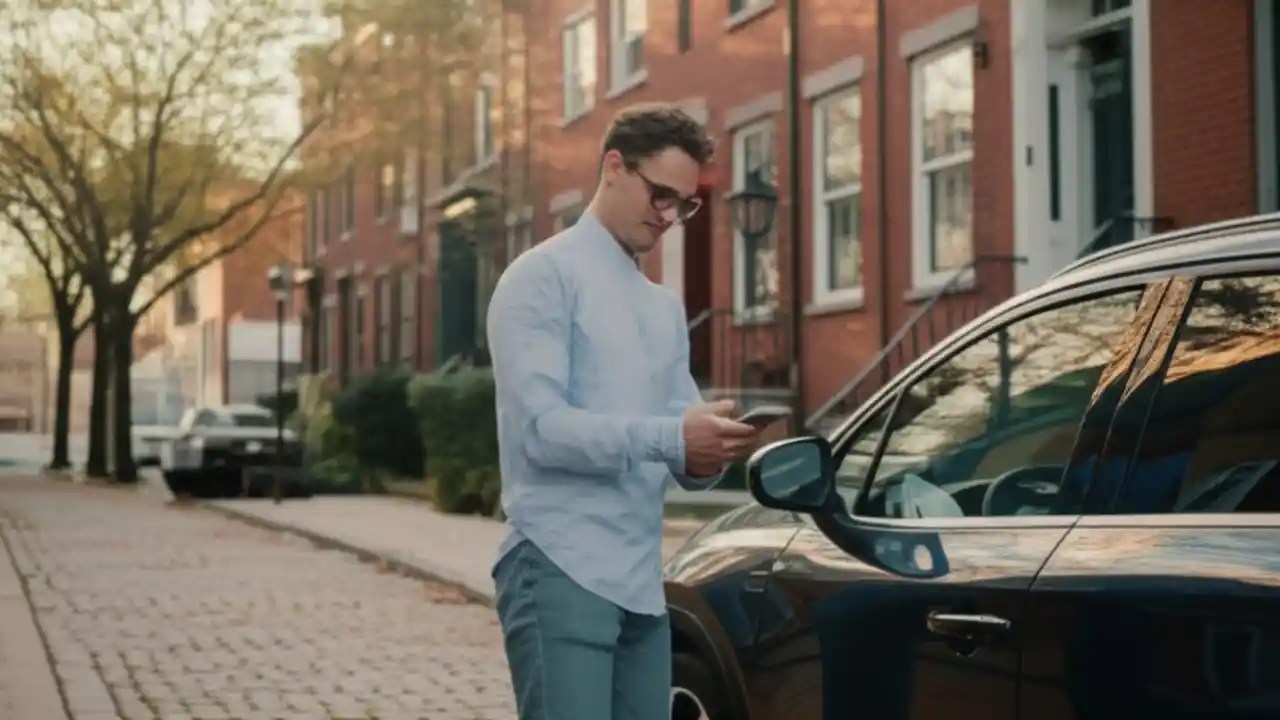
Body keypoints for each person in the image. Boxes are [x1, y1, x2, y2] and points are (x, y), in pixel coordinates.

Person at [486, 103, 763, 720]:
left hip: (642, 584)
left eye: (684, 204)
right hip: (559, 563)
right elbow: (542, 432)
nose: (669, 215)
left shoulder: (662, 308)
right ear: (613, 166)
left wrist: (713, 446)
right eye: (660, 194)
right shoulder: (540, 278)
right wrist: (672, 437)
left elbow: (683, 458)